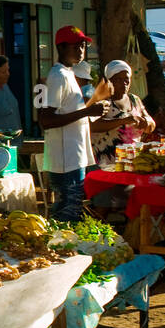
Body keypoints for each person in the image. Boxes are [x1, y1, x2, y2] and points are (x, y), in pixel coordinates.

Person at [38, 26, 106, 221]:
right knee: (67, 213)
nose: (81, 50)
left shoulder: (68, 73)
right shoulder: (58, 76)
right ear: (61, 48)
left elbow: (68, 110)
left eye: (83, 46)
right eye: (76, 46)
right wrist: (87, 111)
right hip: (65, 161)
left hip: (74, 156)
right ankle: (60, 249)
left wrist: (90, 108)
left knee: (73, 210)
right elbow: (46, 120)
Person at [90, 60, 156, 170]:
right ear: (109, 81)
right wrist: (123, 121)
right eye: (118, 79)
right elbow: (93, 126)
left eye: (126, 79)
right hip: (107, 165)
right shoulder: (103, 101)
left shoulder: (134, 99)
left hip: (133, 163)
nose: (124, 83)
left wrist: (146, 122)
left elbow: (151, 124)